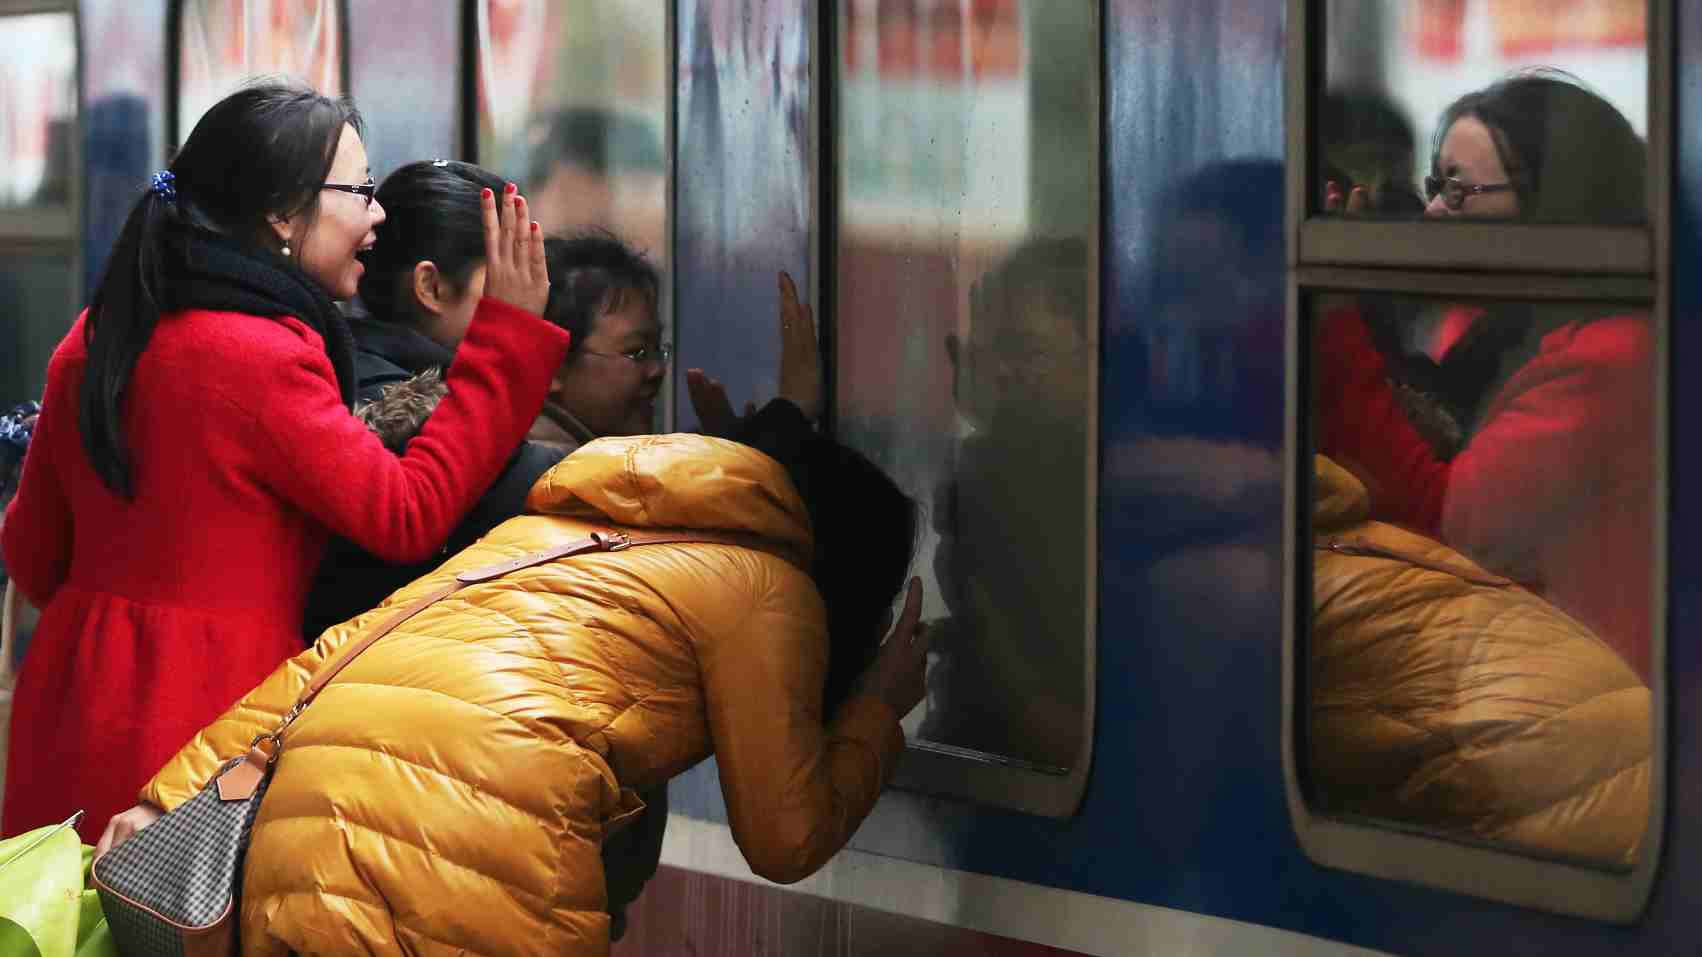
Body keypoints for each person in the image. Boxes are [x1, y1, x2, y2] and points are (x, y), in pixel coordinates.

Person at [99, 427, 928, 957]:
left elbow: (345, 648)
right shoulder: (769, 587)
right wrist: (875, 714)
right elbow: (785, 835)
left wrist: (166, 796)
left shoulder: (540, 533)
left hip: (300, 838)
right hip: (481, 858)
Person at [0, 82, 568, 844]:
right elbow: (406, 512)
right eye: (359, 191)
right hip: (208, 730)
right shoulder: (259, 357)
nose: (378, 214)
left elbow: (32, 557)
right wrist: (506, 342)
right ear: (279, 212)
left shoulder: (96, 335)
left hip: (66, 710)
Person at [1315, 70, 1655, 678]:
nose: (1435, 212)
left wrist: (1337, 314)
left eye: (1459, 190)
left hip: (1589, 681)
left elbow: (1447, 521)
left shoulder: (1606, 359)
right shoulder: (1507, 335)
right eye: (1434, 186)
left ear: (1553, 207)